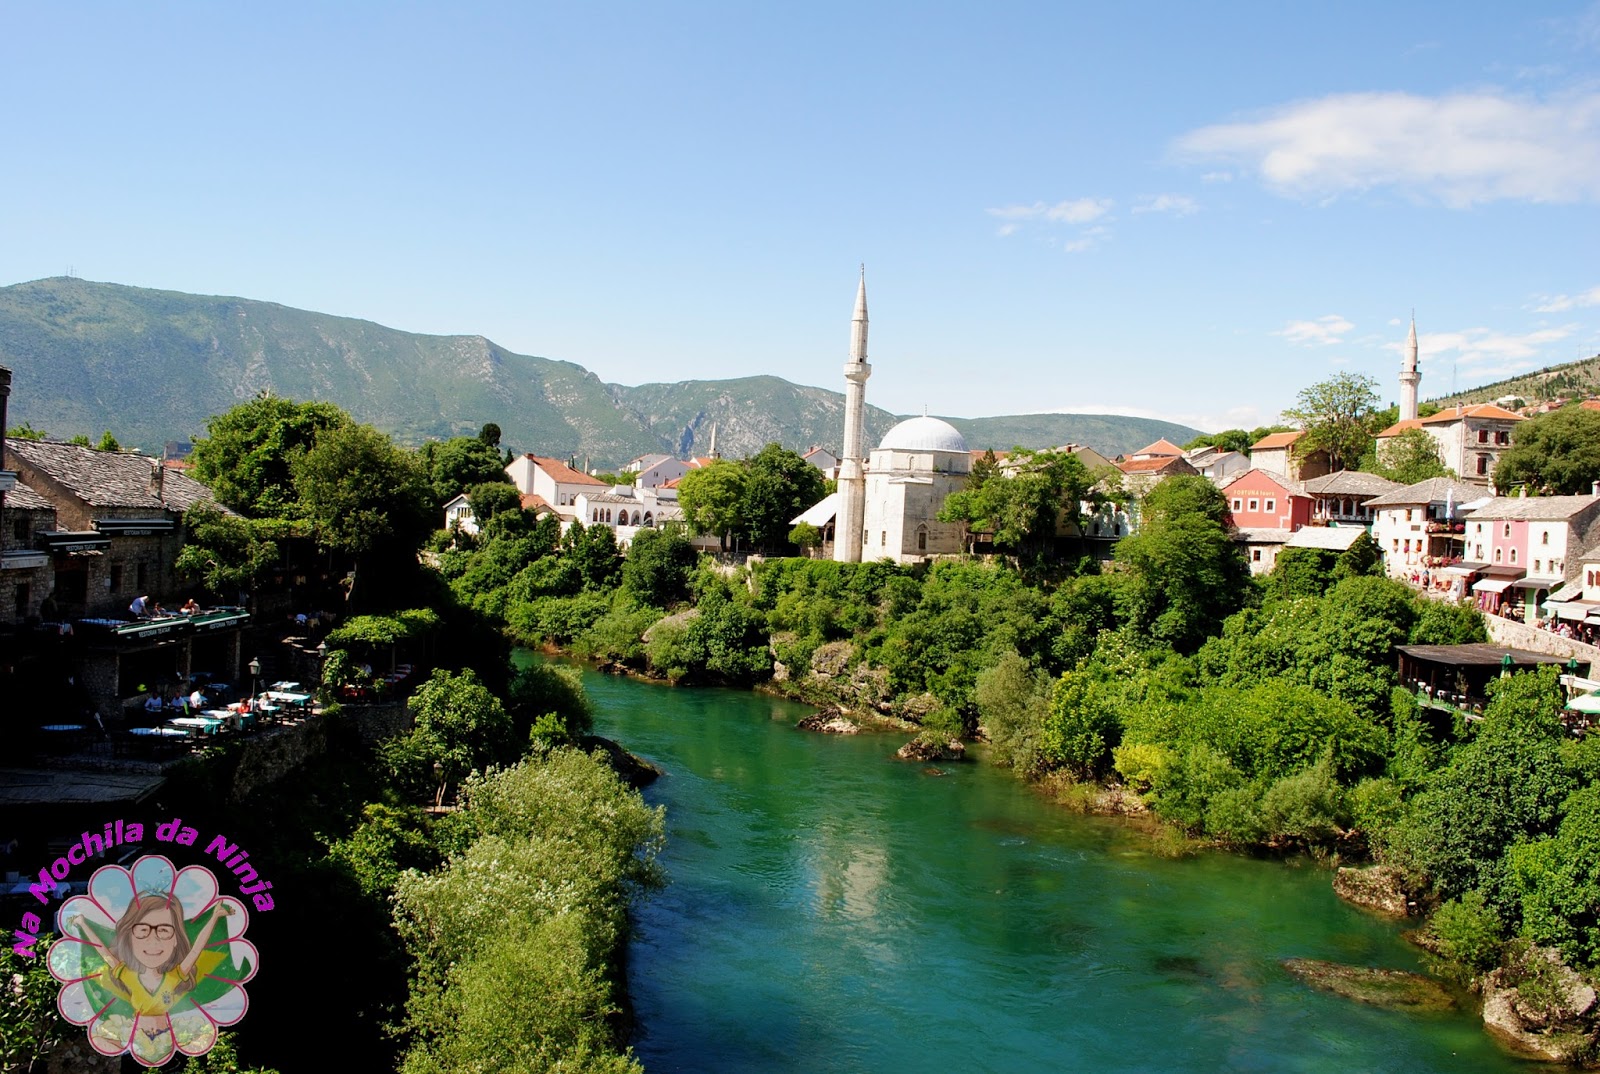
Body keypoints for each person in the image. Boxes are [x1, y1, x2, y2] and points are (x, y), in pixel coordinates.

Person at [68, 893, 235, 1019]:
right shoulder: (128, 976)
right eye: (142, 931)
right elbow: (103, 952)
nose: (153, 941)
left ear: (176, 940)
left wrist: (214, 917)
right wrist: (83, 924)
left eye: (163, 931)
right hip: (138, 1039)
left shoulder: (175, 975)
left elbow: (196, 949)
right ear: (130, 939)